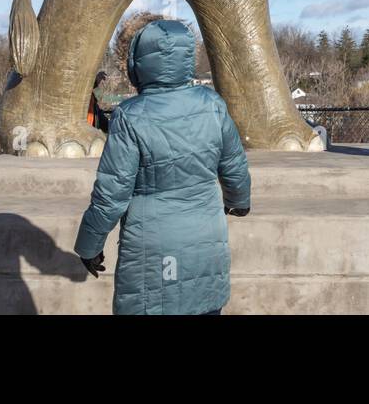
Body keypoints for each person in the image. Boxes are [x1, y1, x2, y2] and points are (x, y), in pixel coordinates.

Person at [75, 19, 251, 315]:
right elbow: (233, 162)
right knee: (202, 304)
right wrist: (239, 200)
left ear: (138, 63)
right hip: (205, 237)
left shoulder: (130, 117)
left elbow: (112, 193)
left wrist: (89, 245)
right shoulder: (212, 104)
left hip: (153, 246)